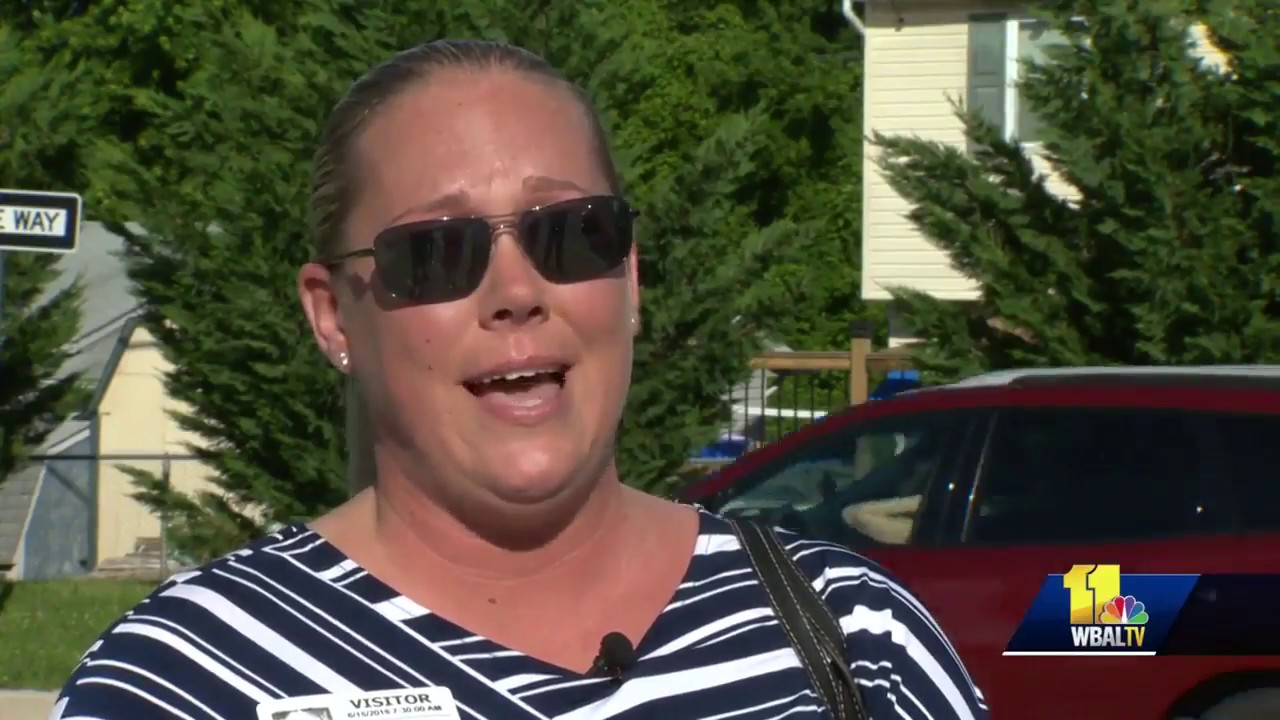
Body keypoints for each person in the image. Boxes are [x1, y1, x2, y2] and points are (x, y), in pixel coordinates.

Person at [51, 39, 990, 719]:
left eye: (570, 235)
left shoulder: (853, 635)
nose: (516, 292)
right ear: (334, 316)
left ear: (629, 278)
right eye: (435, 251)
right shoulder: (185, 682)